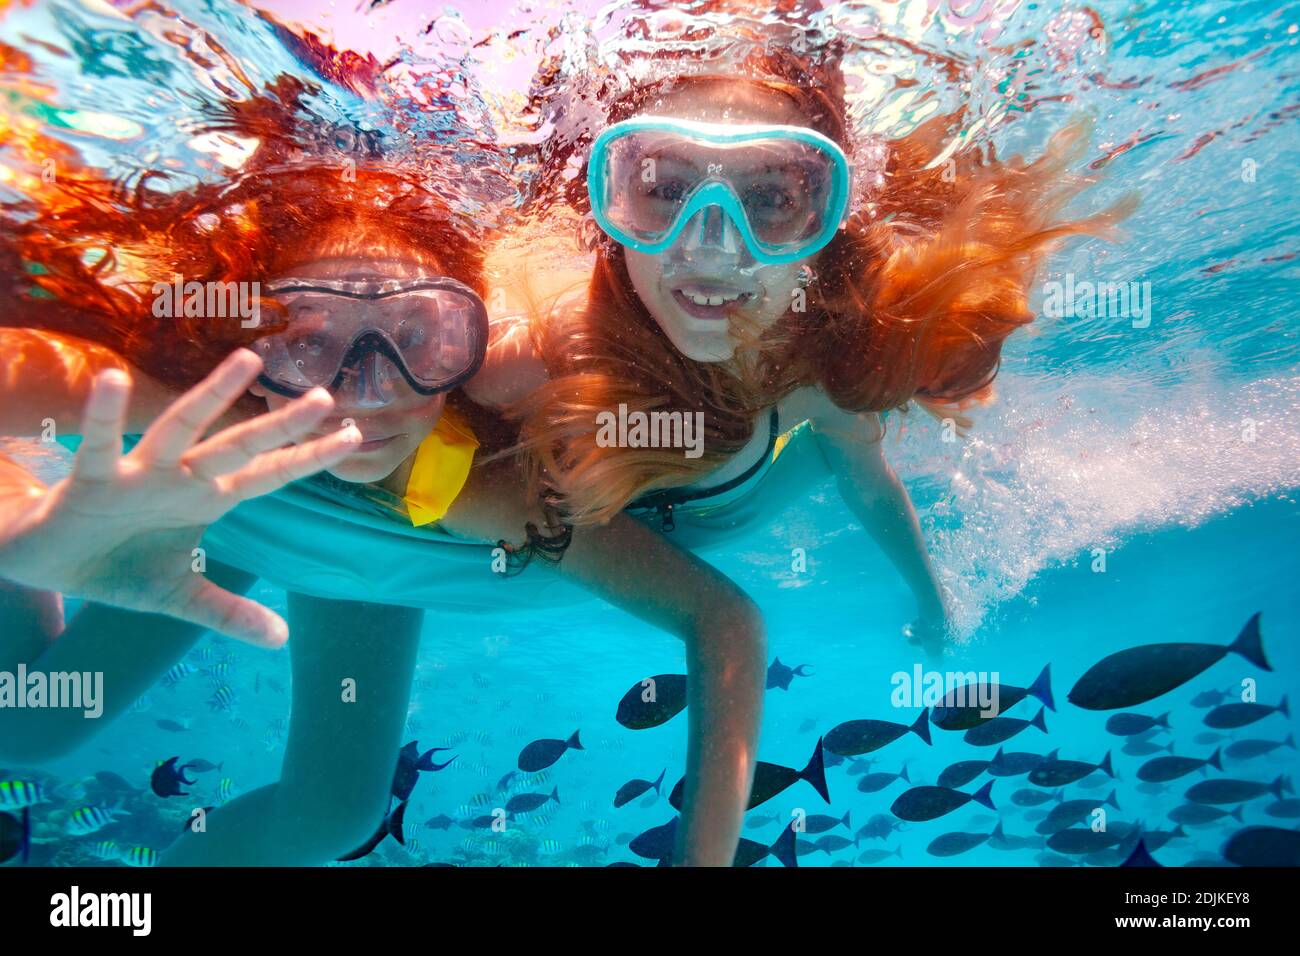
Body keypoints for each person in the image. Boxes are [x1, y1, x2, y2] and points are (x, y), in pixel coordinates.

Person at [0, 74, 763, 867]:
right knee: (33, 728)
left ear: (464, 352)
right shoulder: (188, 393)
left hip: (356, 548)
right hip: (197, 515)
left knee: (336, 815)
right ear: (251, 333)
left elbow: (720, 619)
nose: (366, 393)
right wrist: (20, 528)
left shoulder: (468, 481)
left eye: (418, 337)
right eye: (311, 335)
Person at [492, 13, 1126, 655]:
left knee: (839, 440)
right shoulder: (537, 353)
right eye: (665, 188)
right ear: (610, 202)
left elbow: (869, 483)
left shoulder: (814, 375)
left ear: (823, 226)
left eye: (768, 201)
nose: (711, 249)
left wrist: (932, 601)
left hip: (734, 513)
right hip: (627, 533)